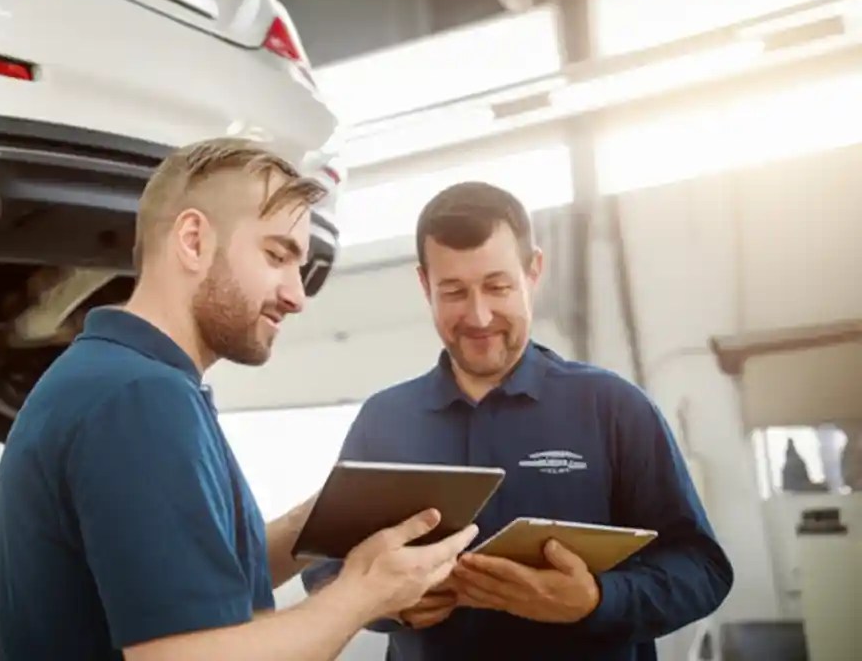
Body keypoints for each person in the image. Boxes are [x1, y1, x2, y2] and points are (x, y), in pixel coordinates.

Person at [0, 138, 481, 660]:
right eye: (277, 255)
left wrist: (311, 525)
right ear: (194, 240)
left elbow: (178, 586)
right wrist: (363, 593)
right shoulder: (139, 400)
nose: (297, 295)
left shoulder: (116, 380)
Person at [301, 181, 734, 660]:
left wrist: (596, 599)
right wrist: (388, 604)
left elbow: (701, 568)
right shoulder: (384, 420)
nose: (479, 315)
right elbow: (327, 570)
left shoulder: (612, 406)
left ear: (533, 272)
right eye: (454, 291)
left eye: (497, 286)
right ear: (425, 285)